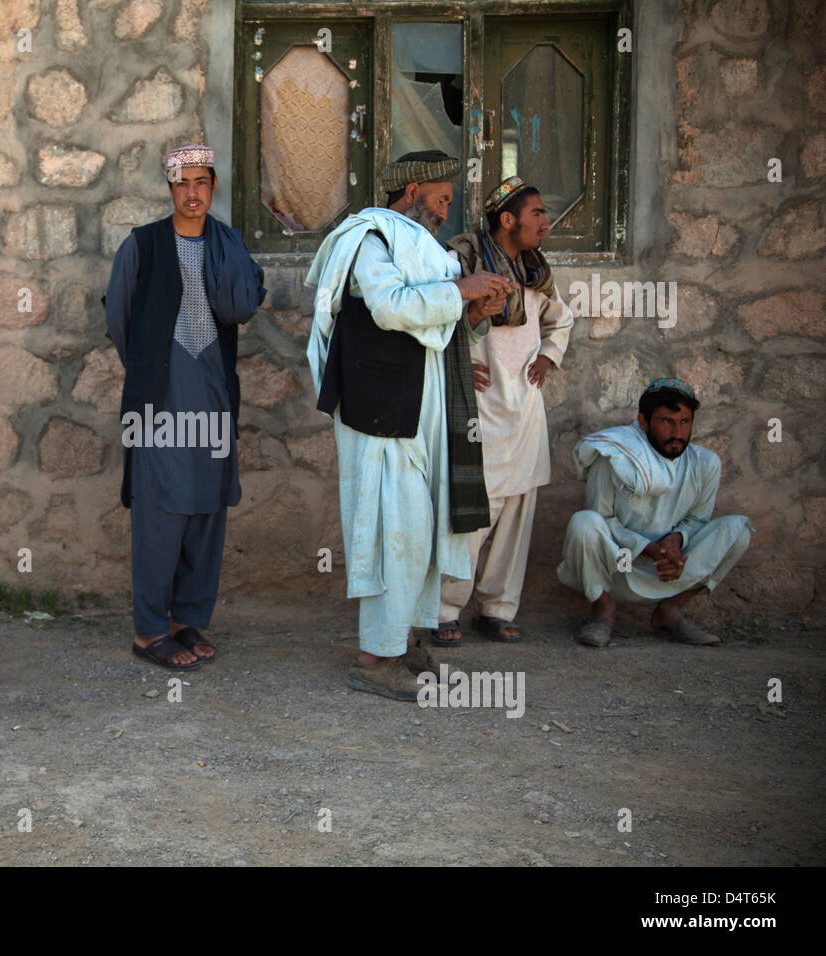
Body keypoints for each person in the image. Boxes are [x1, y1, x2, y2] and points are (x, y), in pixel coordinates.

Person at [305, 150, 515, 700]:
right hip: (380, 416)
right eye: (442, 200)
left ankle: (407, 640)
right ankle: (376, 658)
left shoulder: (428, 253)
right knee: (389, 534)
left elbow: (436, 330)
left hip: (424, 416)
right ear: (413, 189)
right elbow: (391, 308)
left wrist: (473, 313)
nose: (446, 213)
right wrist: (462, 291)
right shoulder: (369, 240)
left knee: (421, 532)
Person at [105, 144, 266, 671]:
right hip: (159, 399)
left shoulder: (227, 243)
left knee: (206, 506)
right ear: (169, 188)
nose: (192, 192)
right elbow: (121, 320)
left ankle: (185, 619)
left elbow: (244, 301)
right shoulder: (143, 246)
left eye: (201, 182)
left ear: (213, 186)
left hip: (213, 394)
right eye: (182, 183)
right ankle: (149, 630)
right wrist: (157, 366)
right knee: (160, 511)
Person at [435, 176, 574, 644]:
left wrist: (548, 355)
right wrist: (456, 362)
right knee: (470, 512)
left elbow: (560, 318)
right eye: (537, 214)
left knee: (518, 511)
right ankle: (444, 609)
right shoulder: (462, 263)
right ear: (507, 219)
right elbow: (435, 314)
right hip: (480, 406)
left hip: (525, 408)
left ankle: (496, 608)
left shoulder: (535, 270)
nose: (545, 223)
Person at [557, 379, 752, 647]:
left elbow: (697, 519)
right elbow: (602, 519)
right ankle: (603, 611)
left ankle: (670, 611)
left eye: (684, 421)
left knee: (738, 531)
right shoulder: (616, 458)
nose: (678, 432)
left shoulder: (705, 464)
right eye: (667, 421)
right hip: (618, 567)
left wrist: (675, 541)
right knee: (584, 522)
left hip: (671, 570)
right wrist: (649, 549)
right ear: (643, 421)